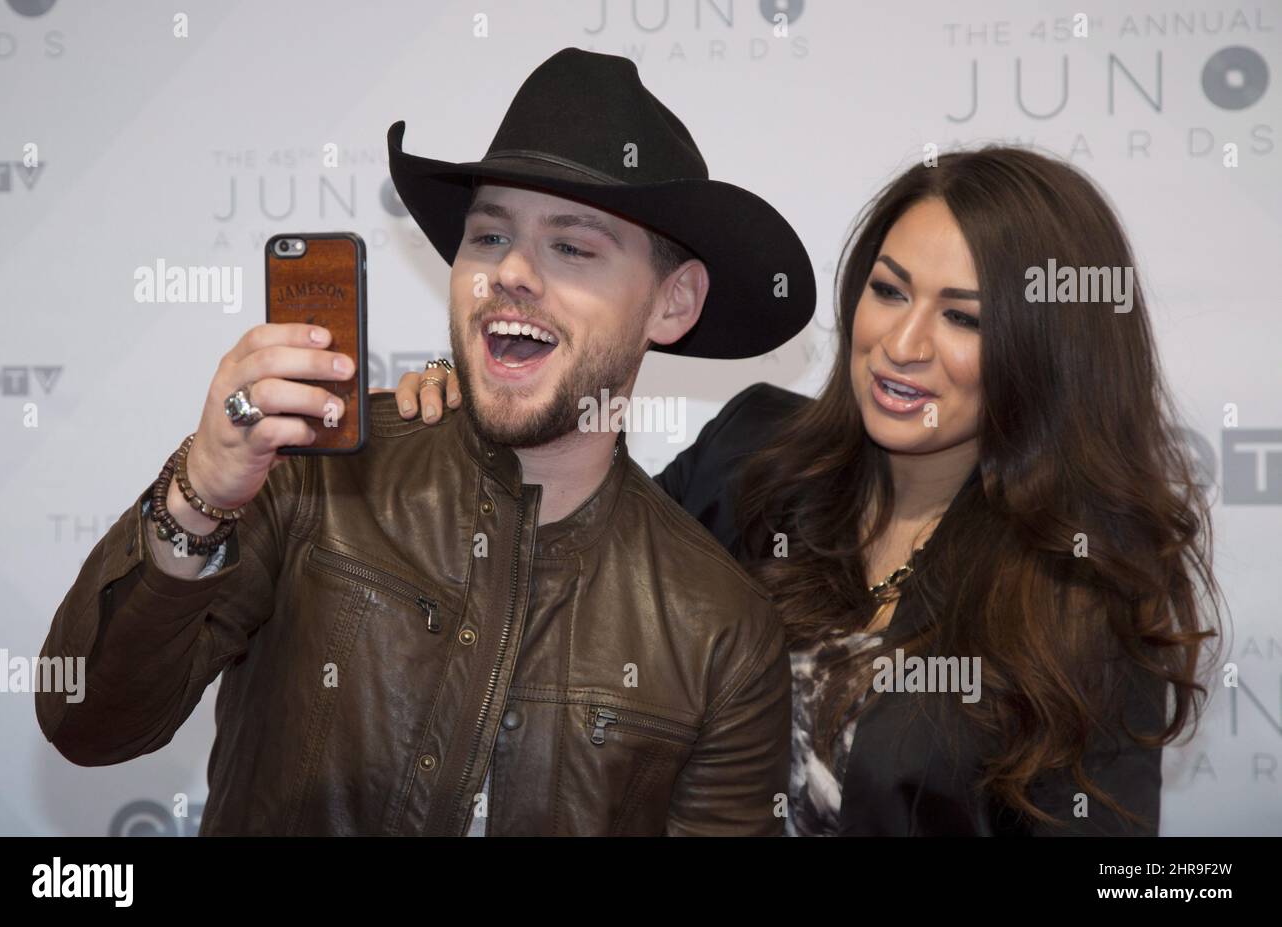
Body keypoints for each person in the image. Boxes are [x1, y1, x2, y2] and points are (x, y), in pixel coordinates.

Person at [36, 47, 819, 836]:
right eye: (489, 236)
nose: (511, 271)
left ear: (673, 303)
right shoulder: (313, 476)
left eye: (572, 247)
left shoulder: (721, 631)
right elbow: (86, 721)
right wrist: (200, 493)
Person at [397, 146, 1223, 835]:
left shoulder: (1079, 594)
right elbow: (558, 575)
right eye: (889, 291)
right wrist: (480, 408)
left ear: (1049, 349)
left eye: (963, 317)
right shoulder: (752, 454)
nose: (902, 342)